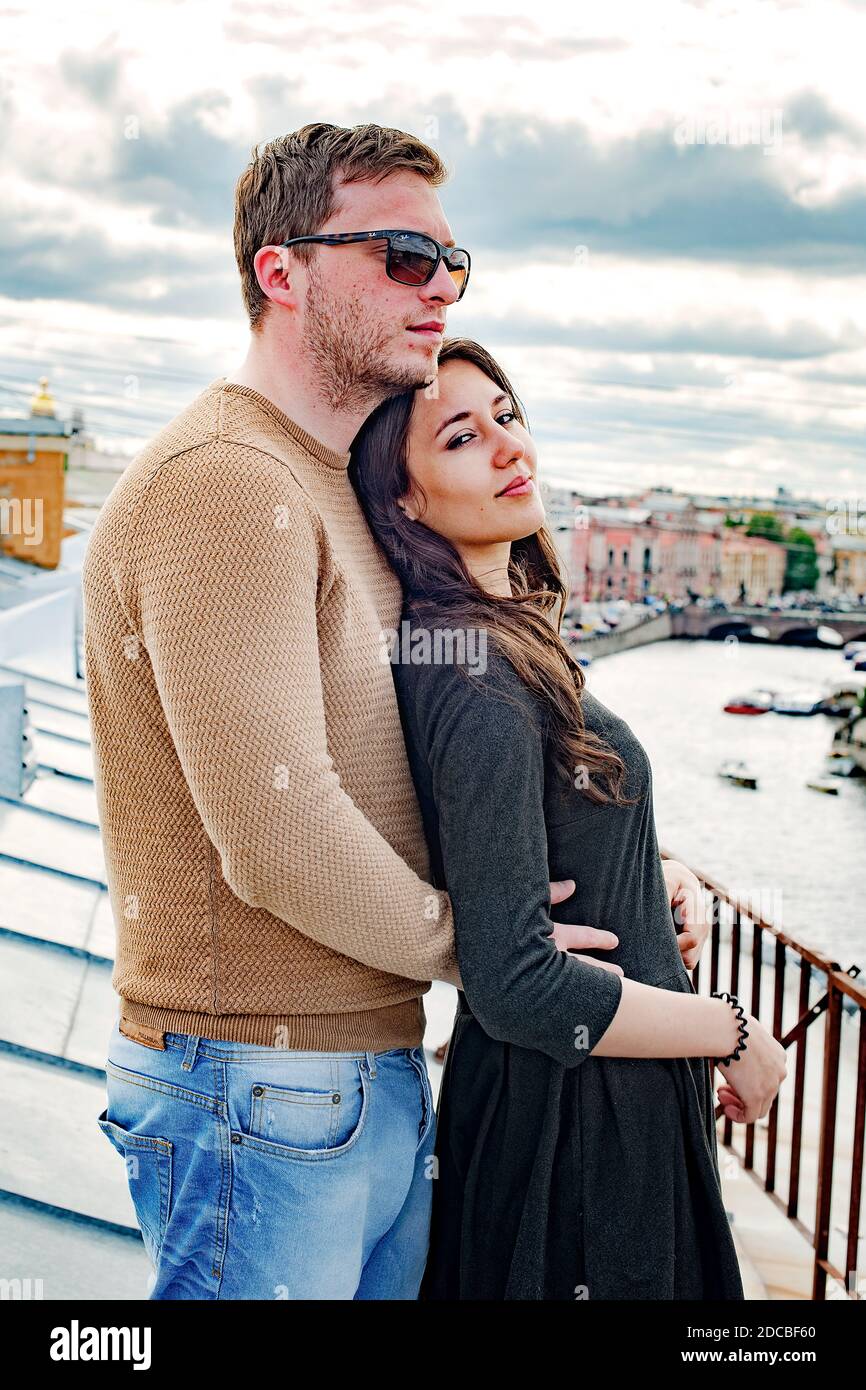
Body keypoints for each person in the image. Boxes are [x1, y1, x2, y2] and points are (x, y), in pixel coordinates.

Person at [81, 122, 618, 1300]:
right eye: (400, 257)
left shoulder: (328, 484)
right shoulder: (226, 482)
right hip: (251, 1081)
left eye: (451, 262)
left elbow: (407, 762)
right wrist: (488, 952)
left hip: (346, 1074)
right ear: (283, 271)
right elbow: (277, 836)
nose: (440, 291)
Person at [348, 336, 788, 1300]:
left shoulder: (493, 641)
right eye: (463, 436)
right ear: (404, 501)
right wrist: (734, 1031)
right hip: (578, 1129)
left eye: (507, 415)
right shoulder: (475, 673)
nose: (511, 448)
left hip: (594, 1097)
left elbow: (536, 820)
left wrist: (650, 870)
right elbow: (515, 982)